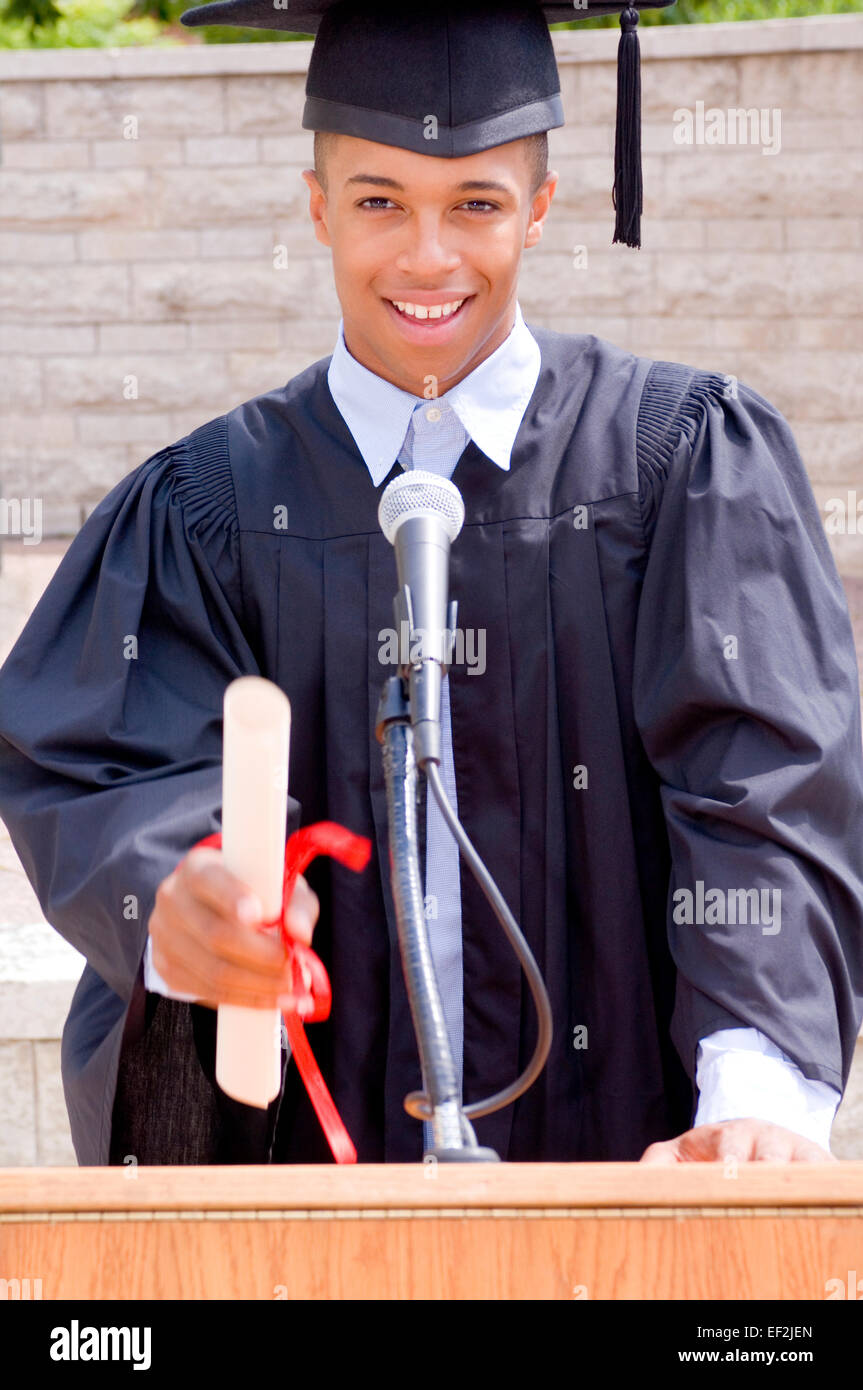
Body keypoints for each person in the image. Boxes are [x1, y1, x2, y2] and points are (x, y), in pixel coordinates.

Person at [1, 0, 862, 1168]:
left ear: (541, 208)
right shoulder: (209, 504)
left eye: (475, 204)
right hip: (310, 1196)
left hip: (625, 1182)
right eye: (376, 202)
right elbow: (101, 762)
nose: (424, 256)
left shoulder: (676, 467)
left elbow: (763, 788)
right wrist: (176, 899)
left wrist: (751, 1089)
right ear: (316, 207)